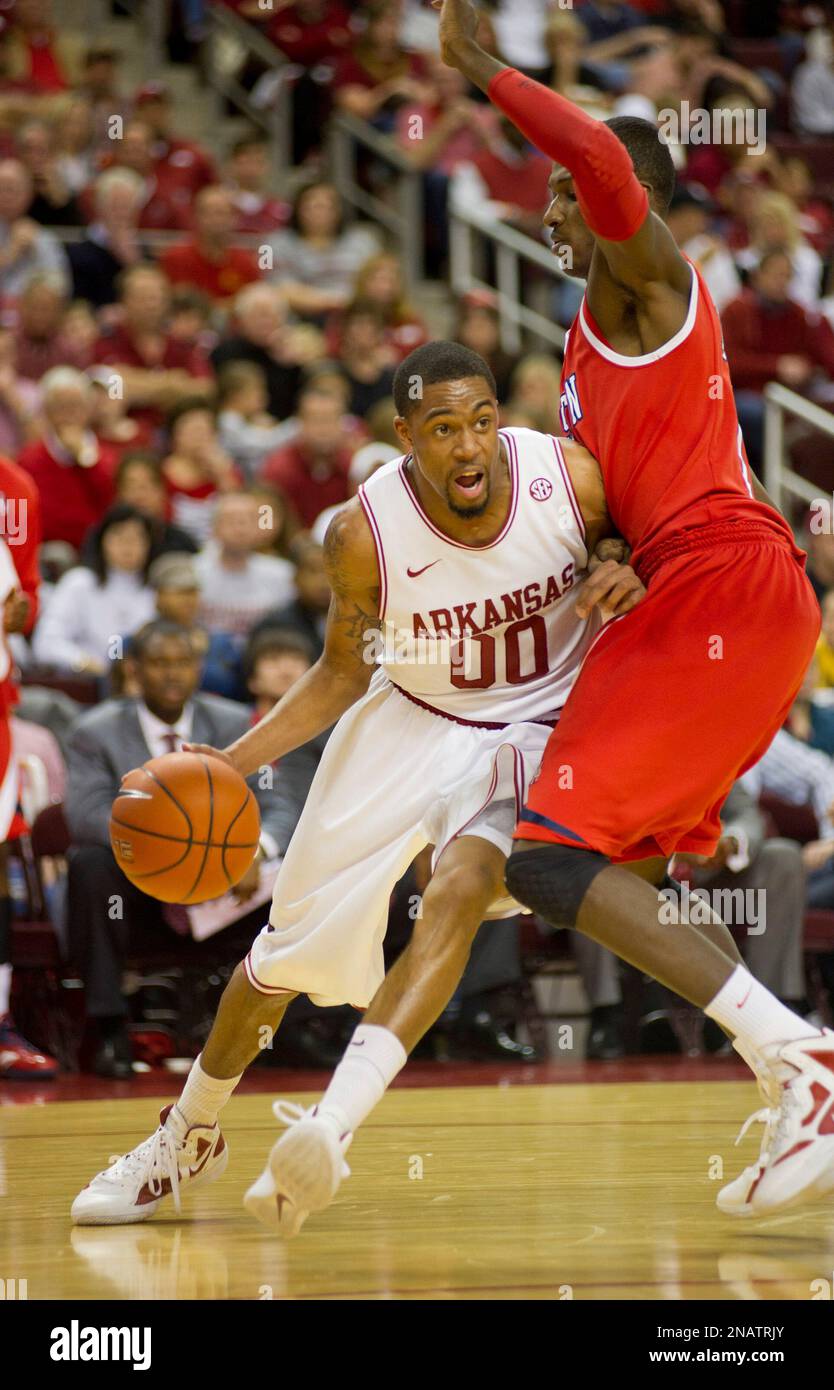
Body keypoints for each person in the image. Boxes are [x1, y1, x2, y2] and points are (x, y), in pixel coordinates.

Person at [408, 0, 829, 1223]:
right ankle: (790, 1060)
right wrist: (610, 549)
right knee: (565, 860)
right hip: (683, 590)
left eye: (558, 196)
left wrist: (485, 65)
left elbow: (598, 157)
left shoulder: (655, 285)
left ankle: (802, 1060)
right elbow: (620, 500)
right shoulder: (589, 344)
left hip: (731, 586)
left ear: (620, 198)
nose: (547, 211)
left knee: (549, 858)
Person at [69, 341, 646, 1227]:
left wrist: (623, 555)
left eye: (483, 422)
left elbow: (664, 537)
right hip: (412, 717)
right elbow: (342, 674)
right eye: (444, 429)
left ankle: (336, 1119)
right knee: (282, 951)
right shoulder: (361, 532)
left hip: (540, 725)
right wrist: (232, 761)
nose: (469, 448)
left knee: (461, 883)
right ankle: (188, 1134)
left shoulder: (568, 477)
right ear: (404, 437)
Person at [62, 619, 290, 1078]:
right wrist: (167, 848)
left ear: (199, 668)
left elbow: (279, 804)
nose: (172, 674)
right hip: (138, 891)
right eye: (159, 663)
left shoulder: (232, 723)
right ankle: (108, 1030)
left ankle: (288, 1029)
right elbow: (85, 814)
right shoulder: (95, 730)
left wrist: (252, 851)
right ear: (135, 670)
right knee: (89, 865)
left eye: (183, 662)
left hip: (226, 890)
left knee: (301, 868)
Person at [32, 504, 156, 676]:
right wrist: (84, 662)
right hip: (85, 684)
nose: (128, 545)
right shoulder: (79, 583)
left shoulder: (155, 590)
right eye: (119, 535)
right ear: (102, 539)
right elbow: (45, 644)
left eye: (137, 538)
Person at [16, 366, 116, 550]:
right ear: (47, 411)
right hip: (46, 550)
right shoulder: (30, 459)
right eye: (60, 406)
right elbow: (21, 515)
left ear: (87, 409)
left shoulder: (107, 457)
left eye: (75, 405)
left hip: (101, 550)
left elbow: (114, 505)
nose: (68, 413)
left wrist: (87, 460)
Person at [194, 491, 296, 644]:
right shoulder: (194, 572)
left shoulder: (282, 574)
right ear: (214, 528)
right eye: (231, 521)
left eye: (247, 521)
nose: (239, 528)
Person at [261, 386, 355, 528]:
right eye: (316, 420)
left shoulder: (354, 465)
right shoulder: (278, 469)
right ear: (300, 423)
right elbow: (264, 522)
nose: (324, 429)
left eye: (330, 420)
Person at [159, 186, 261, 304]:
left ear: (234, 218)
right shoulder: (176, 257)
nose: (215, 220)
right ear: (196, 216)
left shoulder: (245, 262)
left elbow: (254, 300)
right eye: (208, 213)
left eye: (221, 213)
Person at [0, 159, 69, 299]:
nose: (6, 196)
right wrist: (11, 253)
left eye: (12, 189)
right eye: (1, 189)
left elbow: (61, 289)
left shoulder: (43, 238)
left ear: (28, 194)